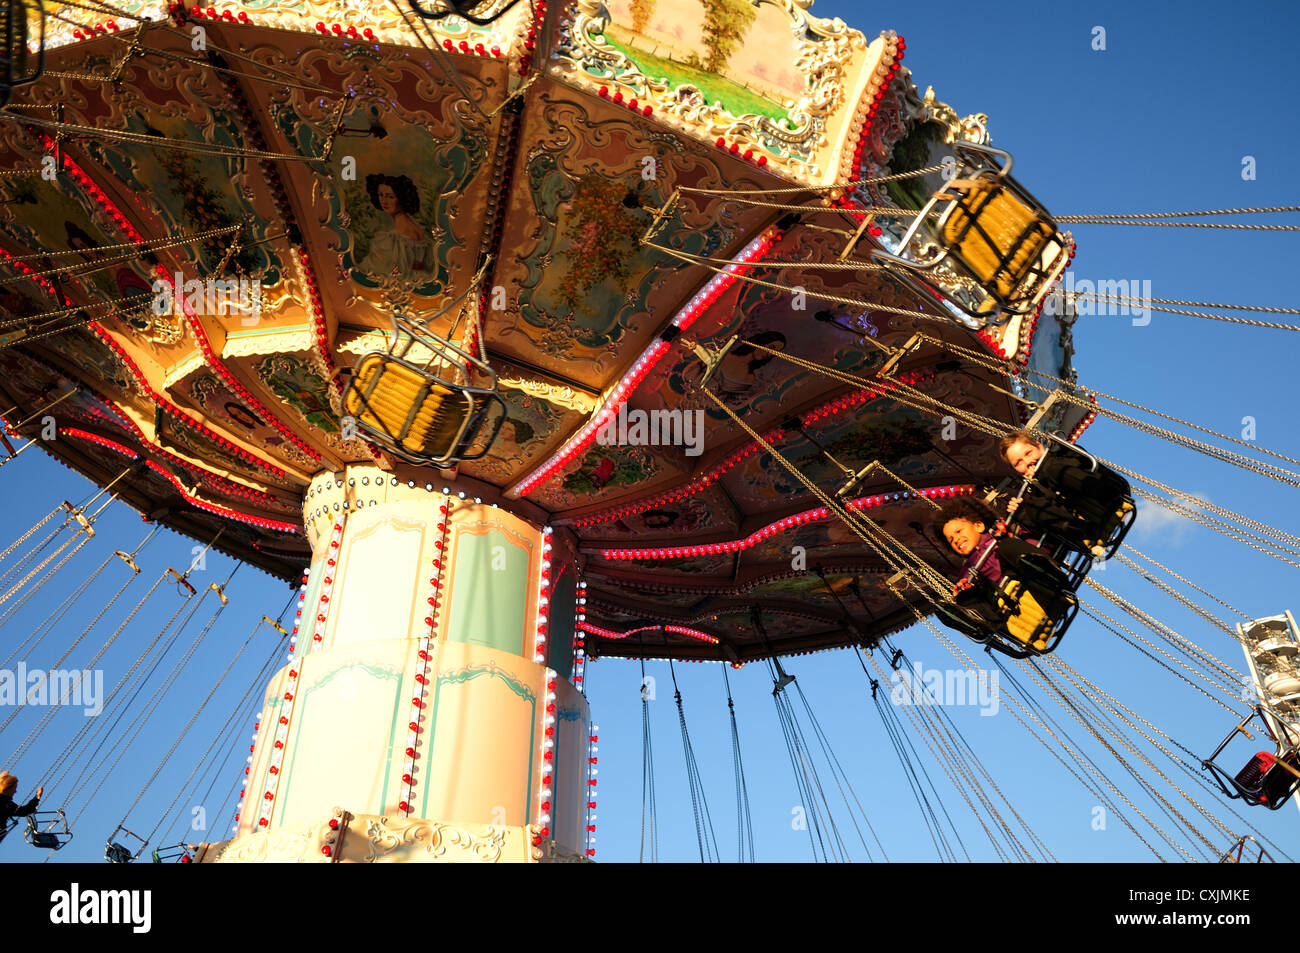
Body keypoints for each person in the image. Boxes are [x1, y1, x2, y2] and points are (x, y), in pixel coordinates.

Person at [933, 497, 1070, 651]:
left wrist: (1015, 525)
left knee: (1007, 547)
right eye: (951, 540)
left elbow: (1037, 540)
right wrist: (963, 595)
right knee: (966, 596)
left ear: (978, 525)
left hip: (1029, 578)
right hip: (1007, 602)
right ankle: (978, 625)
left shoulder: (998, 535)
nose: (956, 539)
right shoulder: (966, 573)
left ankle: (1045, 572)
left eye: (958, 531)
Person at [998, 429, 1134, 555]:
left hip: (1107, 493)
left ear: (1039, 446)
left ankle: (1107, 496)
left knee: (1051, 469)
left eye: (1028, 453)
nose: (1027, 462)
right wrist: (1022, 513)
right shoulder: (1036, 495)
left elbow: (1081, 461)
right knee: (1033, 507)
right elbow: (1043, 526)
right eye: (1018, 463)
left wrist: (1042, 469)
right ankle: (1084, 531)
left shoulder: (1061, 458)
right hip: (1085, 525)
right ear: (1015, 470)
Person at [0, 772, 42, 844]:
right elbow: (24, 811)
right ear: (7, 787)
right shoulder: (5, 803)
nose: (15, 791)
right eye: (14, 788)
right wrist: (37, 798)